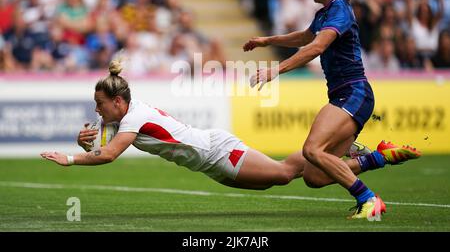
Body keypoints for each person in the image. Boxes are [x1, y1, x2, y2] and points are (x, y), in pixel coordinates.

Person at [41, 60, 420, 196]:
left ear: (118, 103)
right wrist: (83, 141)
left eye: (100, 104)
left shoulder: (132, 118)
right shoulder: (123, 116)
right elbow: (101, 146)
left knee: (290, 173)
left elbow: (107, 156)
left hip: (219, 152)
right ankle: (361, 155)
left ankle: (370, 156)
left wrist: (71, 159)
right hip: (212, 163)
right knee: (291, 174)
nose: (97, 110)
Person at [242, 0, 421, 219]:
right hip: (346, 95)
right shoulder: (326, 12)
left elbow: (316, 47)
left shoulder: (339, 11)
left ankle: (369, 199)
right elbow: (304, 37)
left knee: (312, 149)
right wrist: (267, 40)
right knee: (315, 175)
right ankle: (379, 156)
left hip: (353, 93)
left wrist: (276, 70)